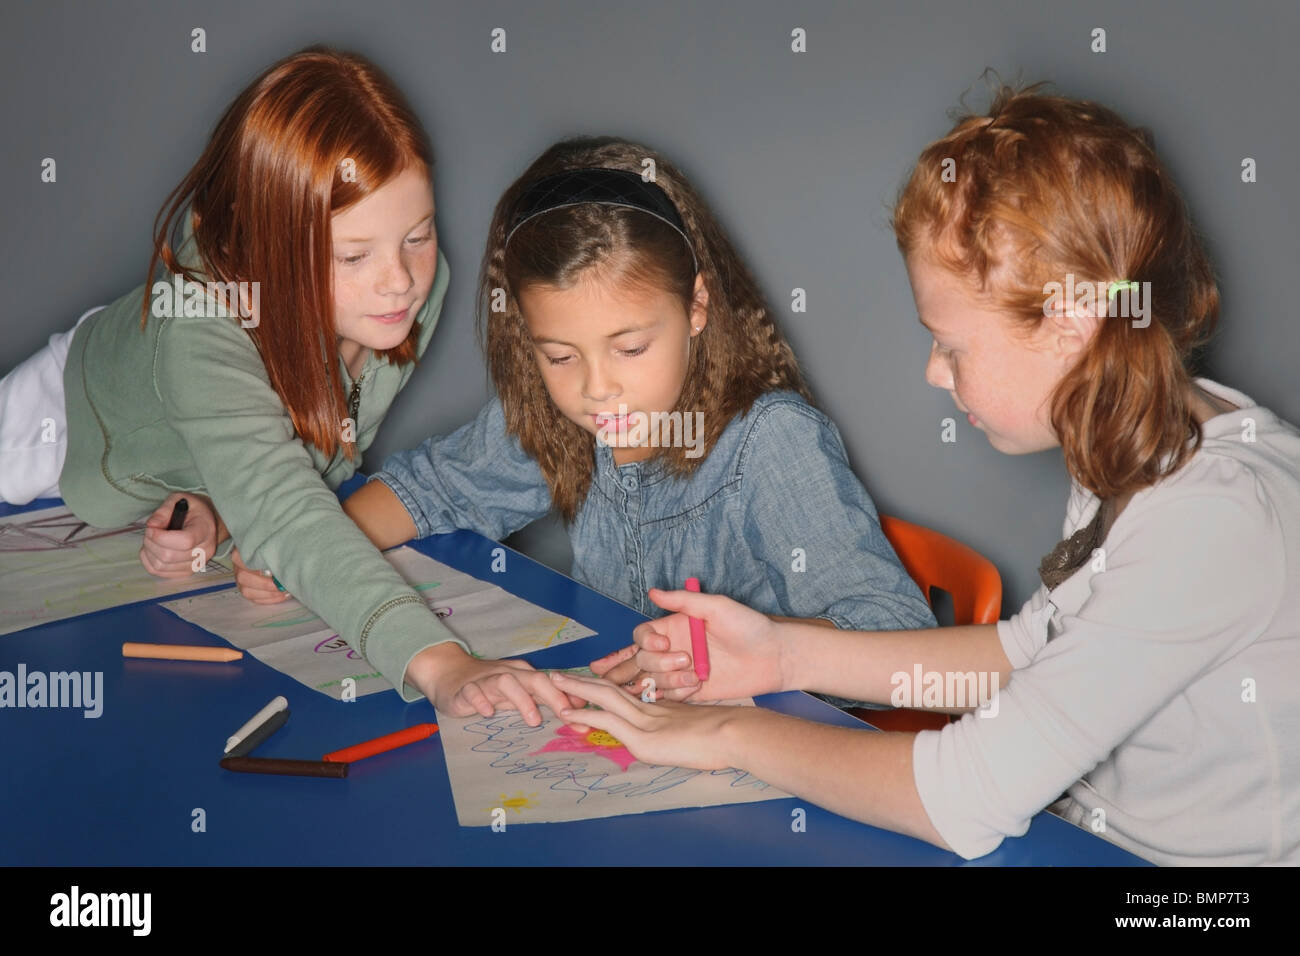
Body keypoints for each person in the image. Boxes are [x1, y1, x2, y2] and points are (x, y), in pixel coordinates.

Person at [553, 86, 1300, 865]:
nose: (934, 374)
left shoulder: (1213, 521)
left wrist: (725, 734)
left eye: (952, 346)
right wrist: (783, 655)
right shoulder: (1142, 431)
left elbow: (961, 798)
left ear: (1068, 330)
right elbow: (1031, 649)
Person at [237, 136, 934, 707]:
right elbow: (440, 487)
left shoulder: (773, 442)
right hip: (645, 744)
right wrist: (313, 548)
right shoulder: (560, 415)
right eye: (560, 355)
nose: (599, 389)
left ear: (697, 308)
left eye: (631, 348)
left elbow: (899, 639)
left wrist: (752, 650)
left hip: (773, 771)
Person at [0, 46, 575, 722]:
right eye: (354, 255)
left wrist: (216, 505)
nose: (400, 279)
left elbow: (300, 453)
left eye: (416, 236)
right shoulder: (199, 329)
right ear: (271, 250)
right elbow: (282, 507)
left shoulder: (417, 289)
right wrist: (439, 660)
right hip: (57, 426)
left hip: (191, 438)